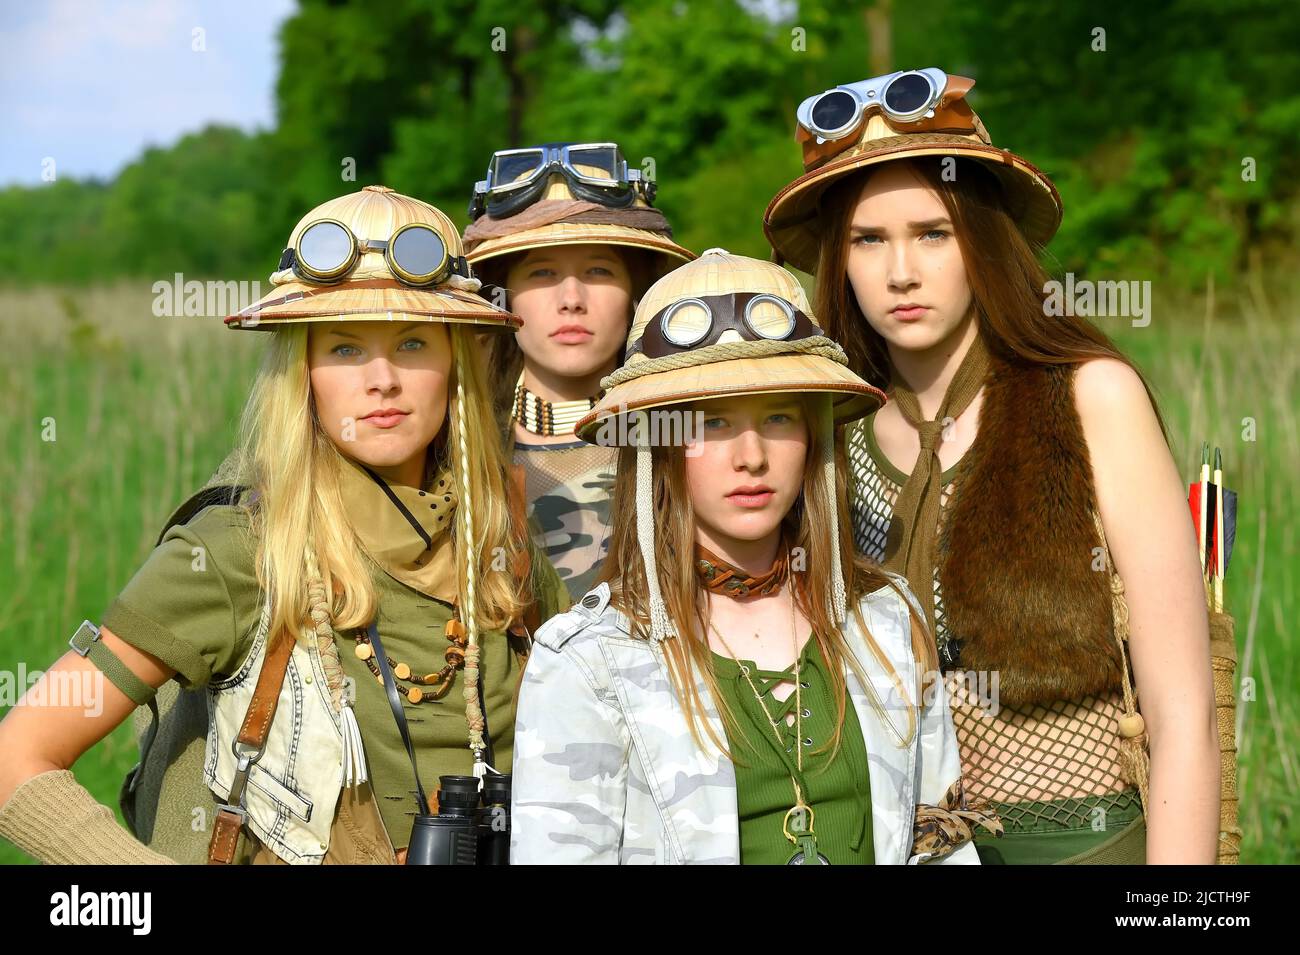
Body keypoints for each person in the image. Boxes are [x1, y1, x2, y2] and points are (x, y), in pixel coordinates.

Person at [0, 185, 569, 864]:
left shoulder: (503, 546)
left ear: (454, 367)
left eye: (413, 342)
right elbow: (18, 758)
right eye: (347, 349)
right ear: (303, 374)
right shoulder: (237, 551)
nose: (382, 379)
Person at [764, 69, 1218, 863]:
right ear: (839, 260)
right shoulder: (827, 433)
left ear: (981, 240)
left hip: (1086, 847)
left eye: (932, 233)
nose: (899, 270)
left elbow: (1185, 717)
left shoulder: (1089, 397)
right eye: (869, 240)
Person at [510, 248, 998, 864]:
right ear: (656, 443)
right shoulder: (588, 659)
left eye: (777, 416)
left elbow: (940, 846)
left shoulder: (885, 619)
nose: (752, 456)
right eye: (711, 423)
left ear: (813, 434)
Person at [462, 142, 694, 600]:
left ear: (637, 294)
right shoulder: (459, 451)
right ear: (499, 298)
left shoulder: (685, 440)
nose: (571, 298)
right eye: (542, 273)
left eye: (599, 271)